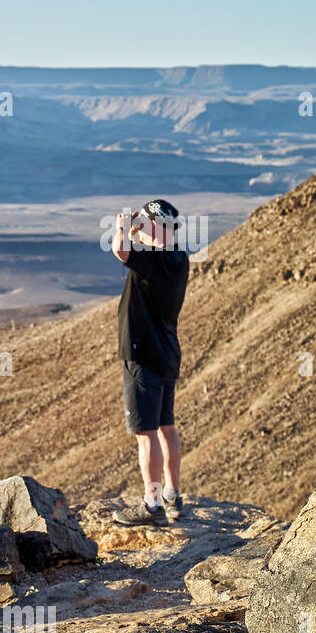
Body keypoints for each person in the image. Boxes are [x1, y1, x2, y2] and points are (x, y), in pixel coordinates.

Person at [111, 199, 190, 526]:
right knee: (166, 427)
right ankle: (172, 495)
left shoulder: (150, 258)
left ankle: (152, 504)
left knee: (146, 433)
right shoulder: (178, 258)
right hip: (167, 352)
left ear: (154, 226)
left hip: (142, 354)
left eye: (143, 223)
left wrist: (121, 225)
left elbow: (120, 250)